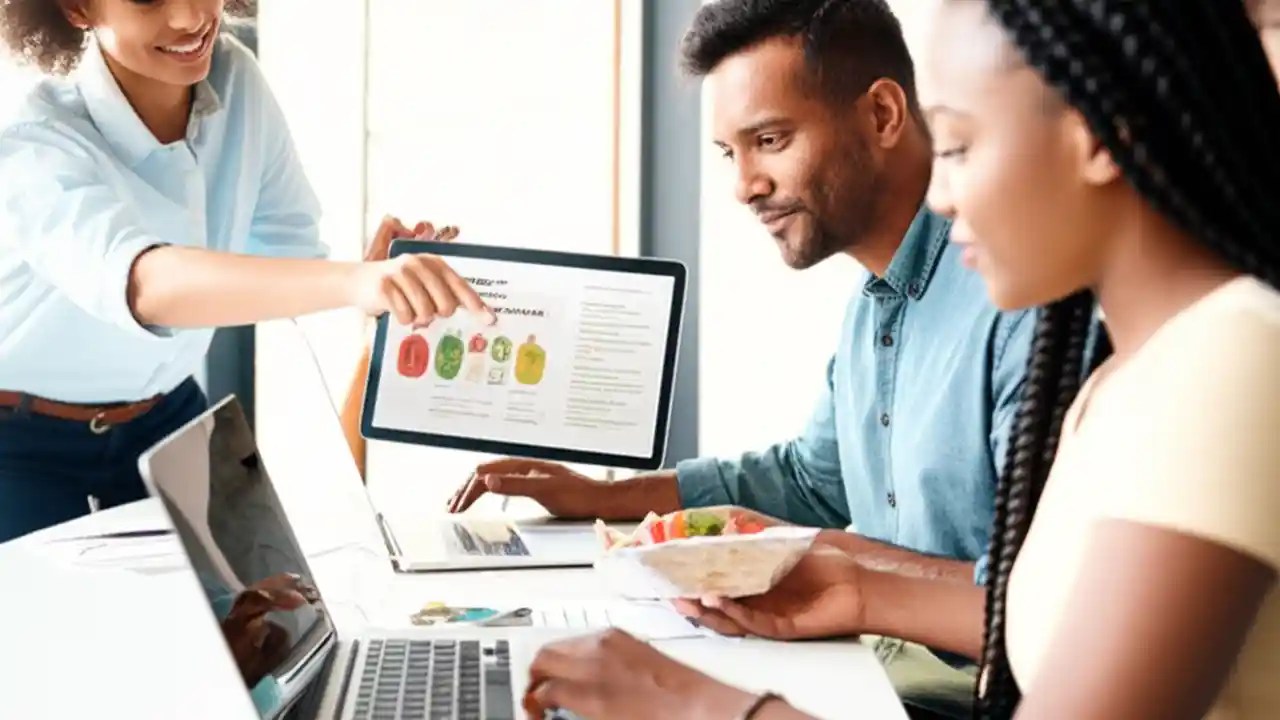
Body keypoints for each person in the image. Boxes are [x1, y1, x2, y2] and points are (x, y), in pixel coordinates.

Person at [524, 1, 1280, 719]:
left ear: (1099, 136)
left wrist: (694, 701)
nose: (939, 198)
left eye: (957, 145)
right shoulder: (1133, 378)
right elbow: (1018, 609)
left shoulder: (1223, 366)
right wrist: (850, 585)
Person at [451, 1, 1033, 715]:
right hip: (865, 674)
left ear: (882, 115)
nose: (745, 186)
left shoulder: (1020, 302)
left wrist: (841, 569)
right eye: (732, 153)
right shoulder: (873, 306)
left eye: (770, 140)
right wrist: (604, 497)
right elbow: (811, 480)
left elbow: (1042, 604)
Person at [0, 0, 491, 542]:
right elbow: (144, 284)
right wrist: (354, 282)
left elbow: (289, 255)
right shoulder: (32, 137)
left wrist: (370, 278)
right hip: (20, 441)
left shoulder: (234, 78)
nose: (189, 18)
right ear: (76, 8)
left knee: (270, 593)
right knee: (39, 598)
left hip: (169, 415)